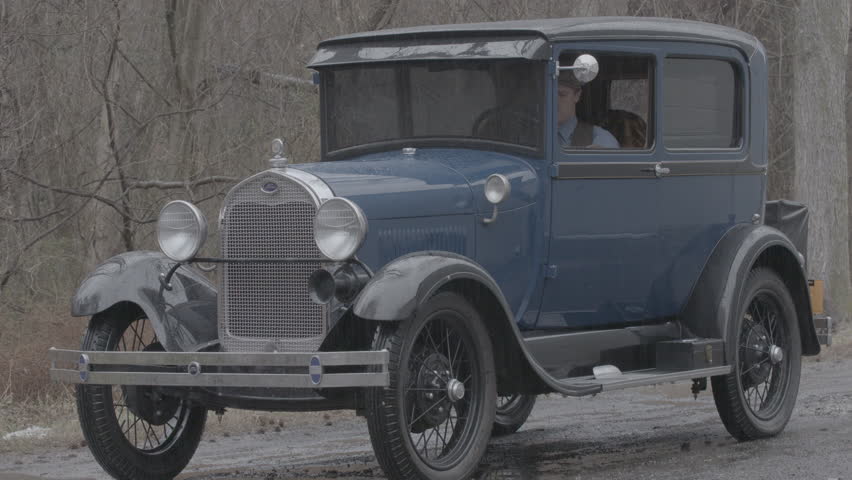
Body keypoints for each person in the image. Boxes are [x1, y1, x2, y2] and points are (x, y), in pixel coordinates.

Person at [557, 74, 619, 149]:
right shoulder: (538, 137)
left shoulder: (600, 139)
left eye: (562, 94)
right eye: (548, 95)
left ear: (577, 95)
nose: (554, 101)